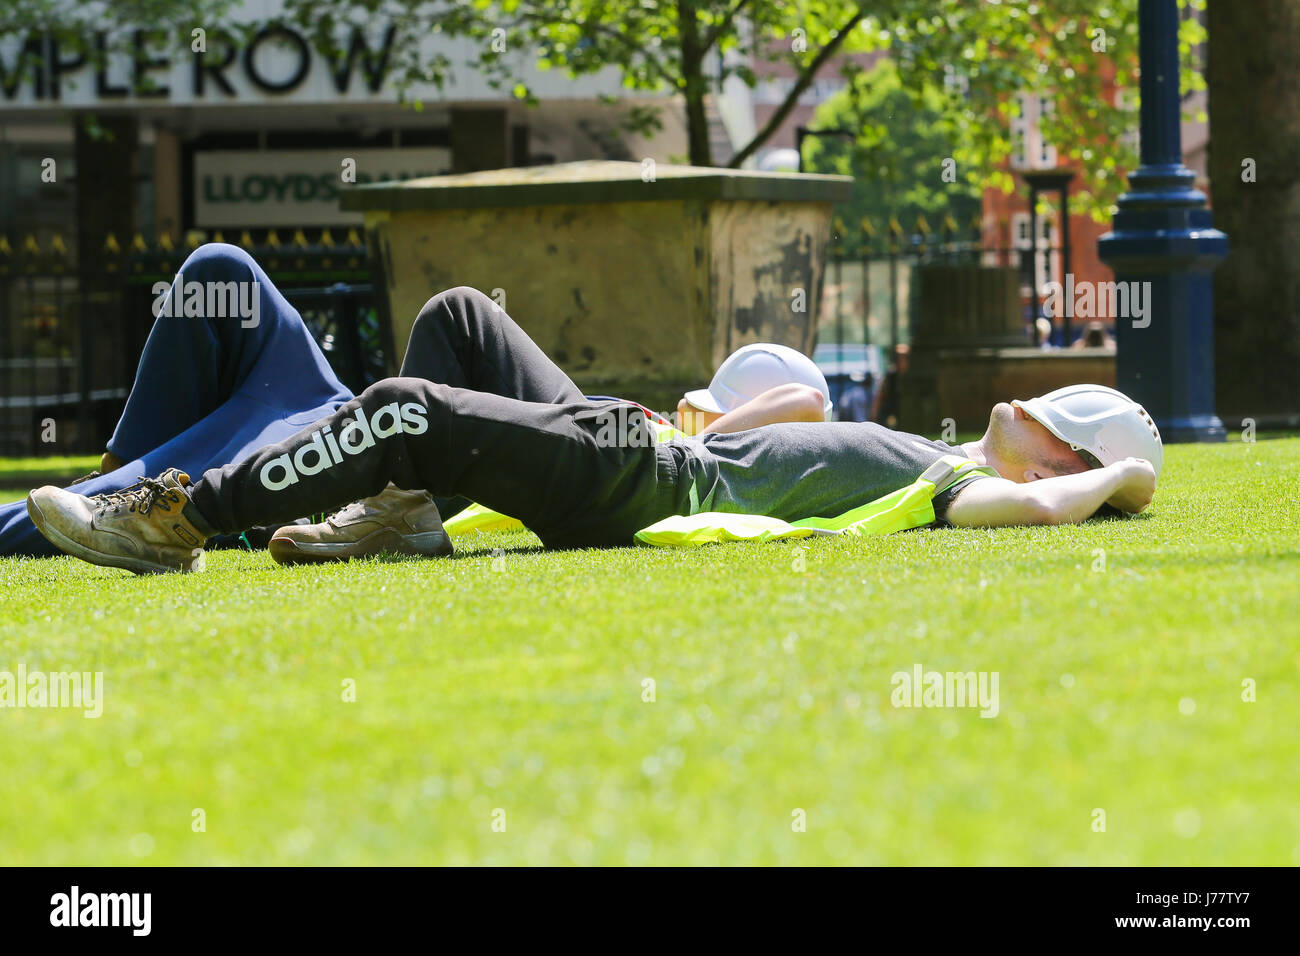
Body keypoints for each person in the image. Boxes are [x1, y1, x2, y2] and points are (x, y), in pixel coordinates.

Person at [25, 329, 1162, 573]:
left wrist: (1122, 479)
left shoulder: (959, 483)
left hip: (641, 482)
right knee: (463, 319)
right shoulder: (931, 444)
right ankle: (409, 514)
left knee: (406, 404)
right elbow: (795, 418)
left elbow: (1044, 514)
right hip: (642, 443)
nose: (1032, 404)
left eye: (1057, 420)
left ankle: (183, 518)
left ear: (1059, 462)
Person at [0, 243, 835, 560]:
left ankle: (120, 503)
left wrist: (704, 430)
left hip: (309, 473)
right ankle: (112, 476)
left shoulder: (632, 468)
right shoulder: (597, 422)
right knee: (221, 272)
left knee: (38, 521)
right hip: (343, 417)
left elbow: (808, 404)